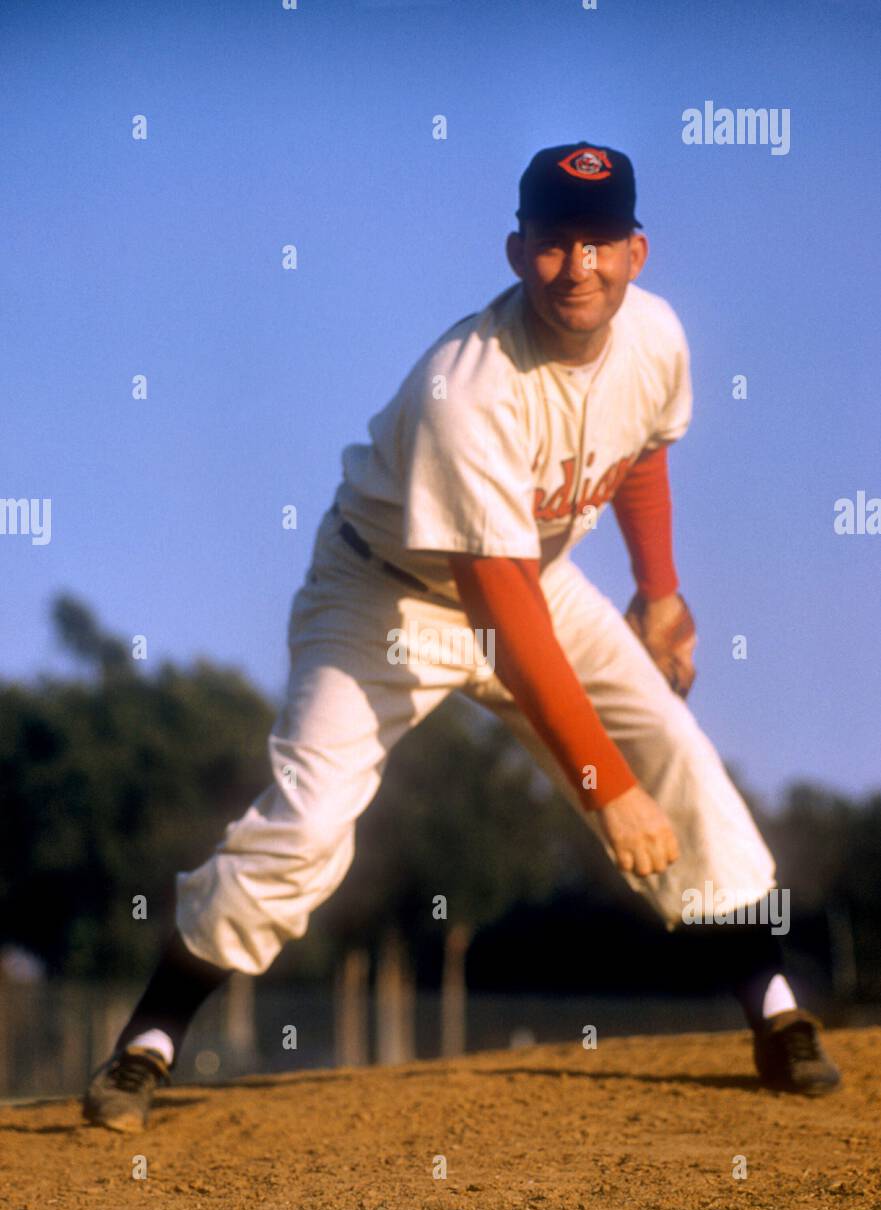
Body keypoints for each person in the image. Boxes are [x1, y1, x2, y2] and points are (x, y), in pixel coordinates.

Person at [84, 141, 840, 1132]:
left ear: (636, 251)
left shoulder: (653, 336)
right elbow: (498, 615)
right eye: (556, 243)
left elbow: (640, 448)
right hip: (383, 597)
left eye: (600, 243)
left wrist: (659, 595)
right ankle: (151, 1037)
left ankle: (774, 1012)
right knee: (308, 825)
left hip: (537, 580)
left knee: (676, 756)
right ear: (516, 248)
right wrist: (599, 788)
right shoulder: (468, 385)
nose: (579, 267)